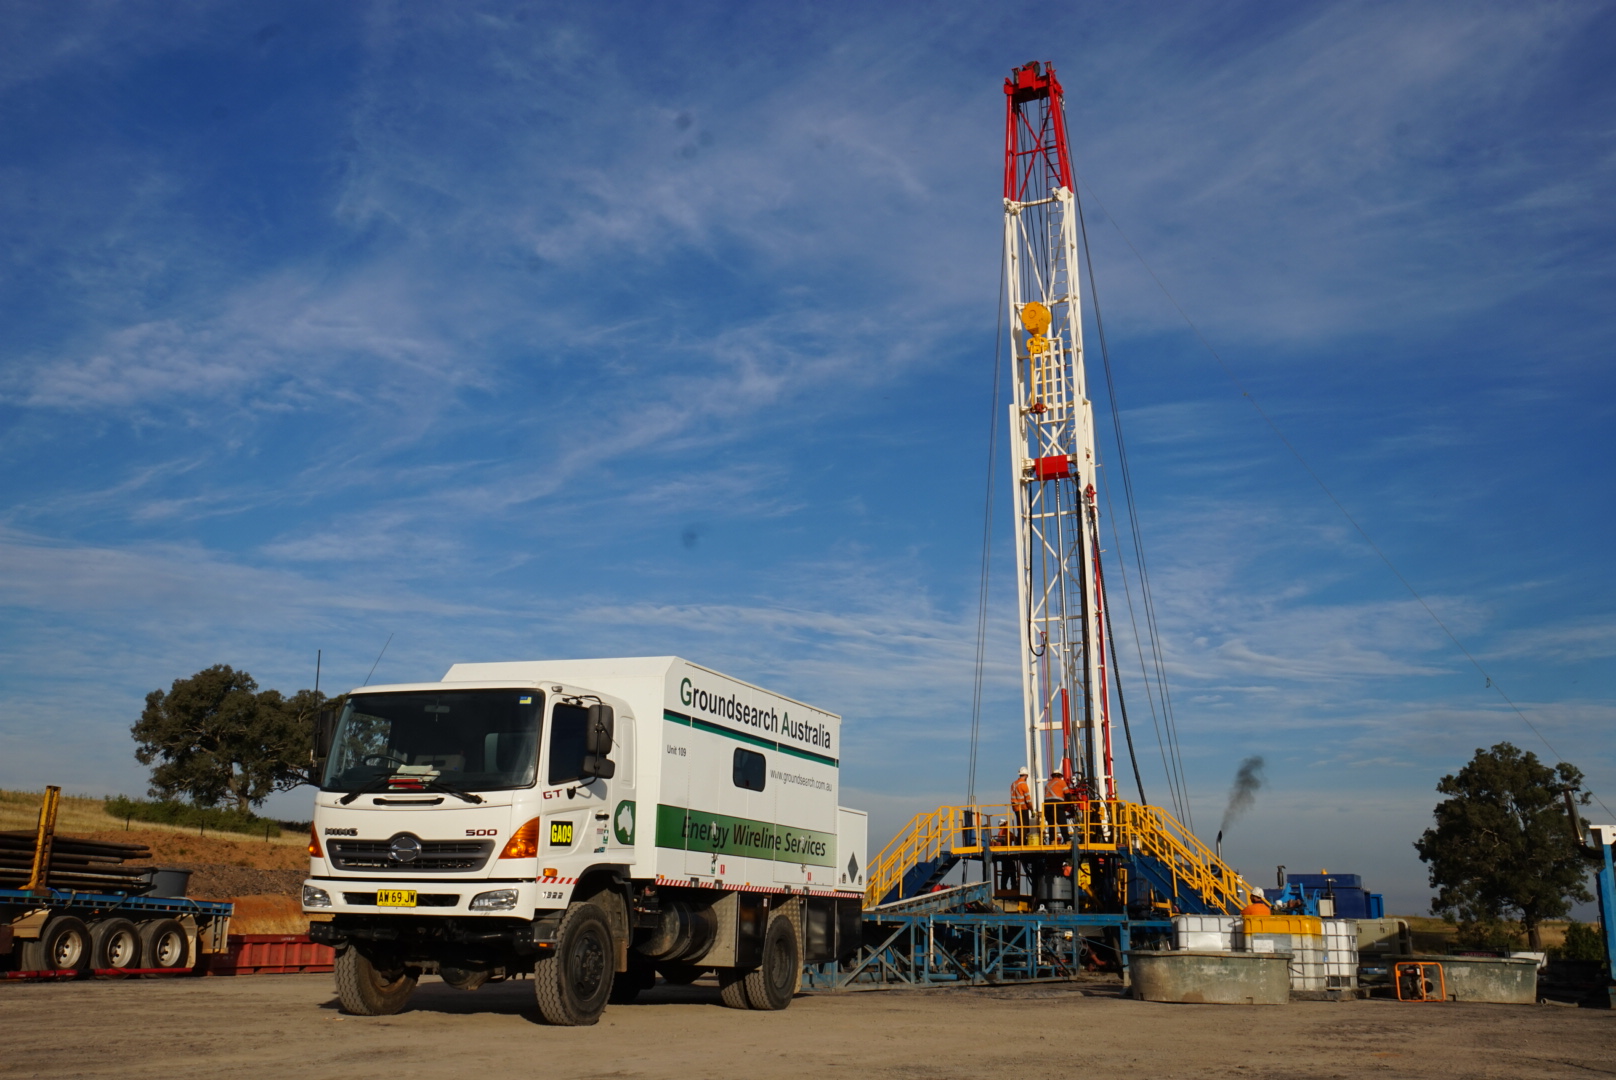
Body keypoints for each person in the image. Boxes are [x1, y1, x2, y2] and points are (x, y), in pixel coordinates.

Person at [1045, 770, 1071, 842]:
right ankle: (1066, 840)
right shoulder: (1061, 782)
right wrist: (1071, 802)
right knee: (1062, 823)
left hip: (1047, 806)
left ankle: (1052, 840)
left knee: (1051, 824)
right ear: (1060, 776)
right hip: (1057, 805)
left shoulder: (1048, 784)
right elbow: (1067, 794)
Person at [1010, 767, 1033, 844]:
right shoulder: (1023, 785)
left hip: (1016, 808)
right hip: (1023, 808)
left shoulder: (1013, 784)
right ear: (1026, 775)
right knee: (1024, 825)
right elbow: (1028, 800)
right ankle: (1023, 841)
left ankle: (1019, 841)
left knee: (1020, 825)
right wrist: (1032, 810)